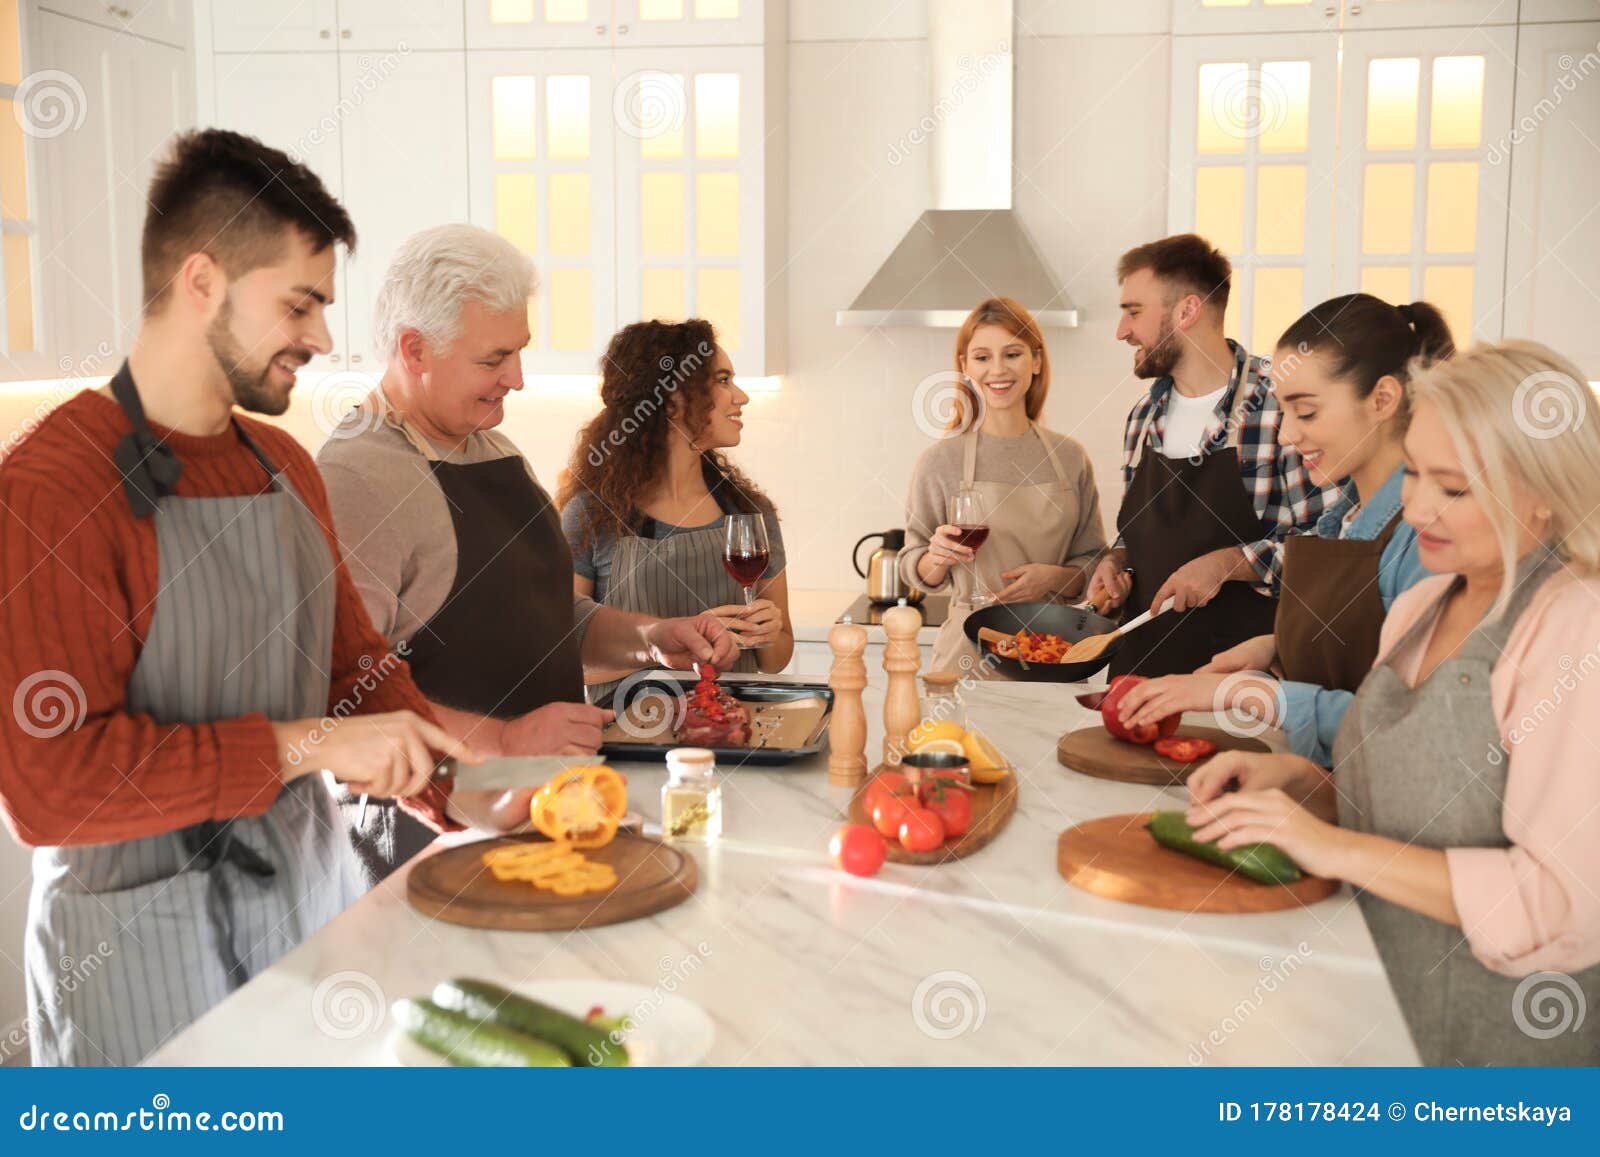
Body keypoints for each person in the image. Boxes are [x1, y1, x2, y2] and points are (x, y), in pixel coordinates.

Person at [0, 130, 531, 1065]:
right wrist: (313, 745)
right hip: (136, 960)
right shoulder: (52, 486)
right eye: (300, 303)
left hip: (307, 925)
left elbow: (350, 667)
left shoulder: (282, 466)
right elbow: (52, 789)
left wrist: (463, 790)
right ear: (202, 282)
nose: (323, 338)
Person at [1186, 340, 1600, 1066]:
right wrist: (1303, 789)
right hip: (1376, 1021)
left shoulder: (1575, 627)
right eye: (1413, 471)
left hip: (1499, 1057)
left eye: (1455, 487)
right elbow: (1408, 816)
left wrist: (1330, 844)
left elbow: (1561, 905)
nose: (1416, 506)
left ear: (1545, 491)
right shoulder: (1422, 605)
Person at [318, 226, 736, 882]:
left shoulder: (490, 448)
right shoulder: (360, 479)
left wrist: (652, 638)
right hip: (429, 834)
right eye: (494, 358)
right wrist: (502, 742)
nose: (516, 377)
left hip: (540, 805)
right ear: (413, 348)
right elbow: (339, 697)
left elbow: (544, 620)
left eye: (518, 352)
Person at [1115, 295, 1452, 763]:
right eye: (1284, 412)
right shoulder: (1344, 521)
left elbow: (1420, 729)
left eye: (1306, 412)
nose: (1288, 434)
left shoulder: (1426, 539)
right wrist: (1276, 647)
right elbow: (1367, 642)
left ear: (1382, 400)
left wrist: (1248, 694)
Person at [1086, 235, 1341, 677]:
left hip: (1238, 687)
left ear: (1187, 311)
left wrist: (1230, 564)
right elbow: (1137, 535)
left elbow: (1330, 553)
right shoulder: (1143, 416)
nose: (1122, 331)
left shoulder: (1279, 404)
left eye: (1133, 312)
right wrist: (1116, 562)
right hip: (1137, 680)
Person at [558, 319, 792, 688]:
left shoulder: (748, 512)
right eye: (722, 380)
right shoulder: (592, 516)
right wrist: (664, 650)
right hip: (629, 735)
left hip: (733, 734)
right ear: (671, 400)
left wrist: (769, 631)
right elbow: (561, 662)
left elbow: (776, 660)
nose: (741, 396)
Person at [899, 297, 1107, 672]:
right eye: (982, 357)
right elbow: (914, 565)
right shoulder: (940, 461)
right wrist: (937, 556)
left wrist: (1055, 579)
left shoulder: (1070, 457)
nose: (998, 369)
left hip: (1052, 651)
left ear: (1037, 361)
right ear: (964, 367)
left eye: (1012, 354)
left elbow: (1093, 559)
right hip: (967, 654)